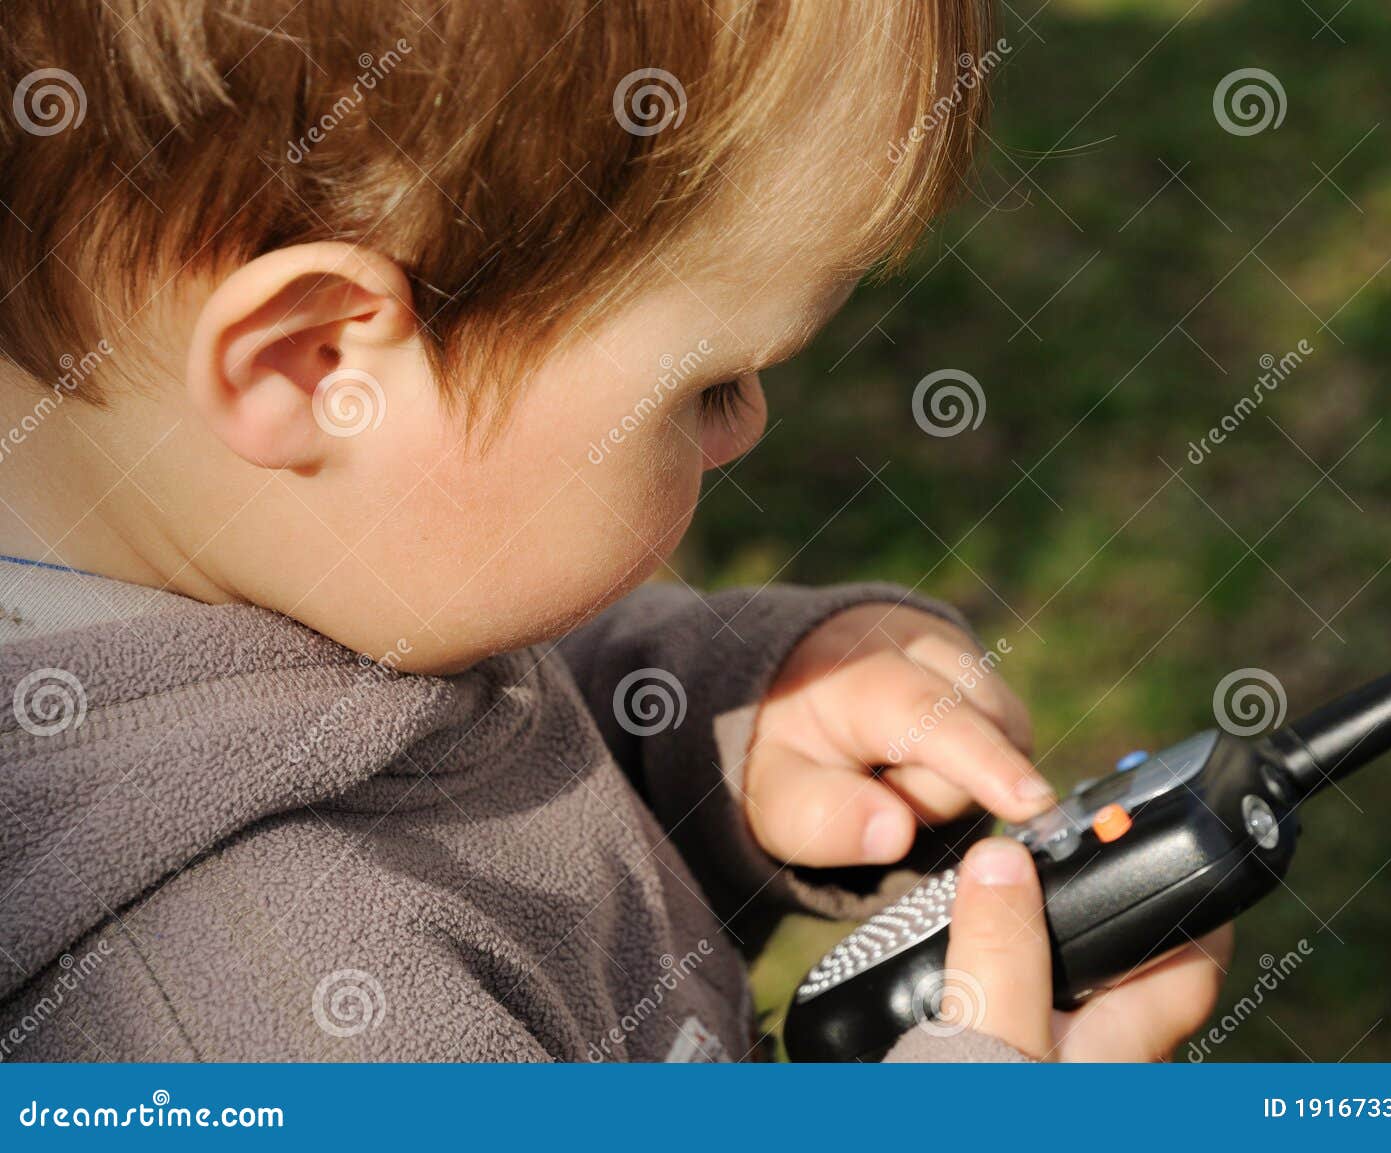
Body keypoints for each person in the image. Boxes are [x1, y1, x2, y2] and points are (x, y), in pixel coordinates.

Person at [0, 0, 1229, 1061]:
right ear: (322, 365)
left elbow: (454, 733)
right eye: (710, 383)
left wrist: (710, 717)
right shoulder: (251, 1020)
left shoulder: (262, 562)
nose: (745, 430)